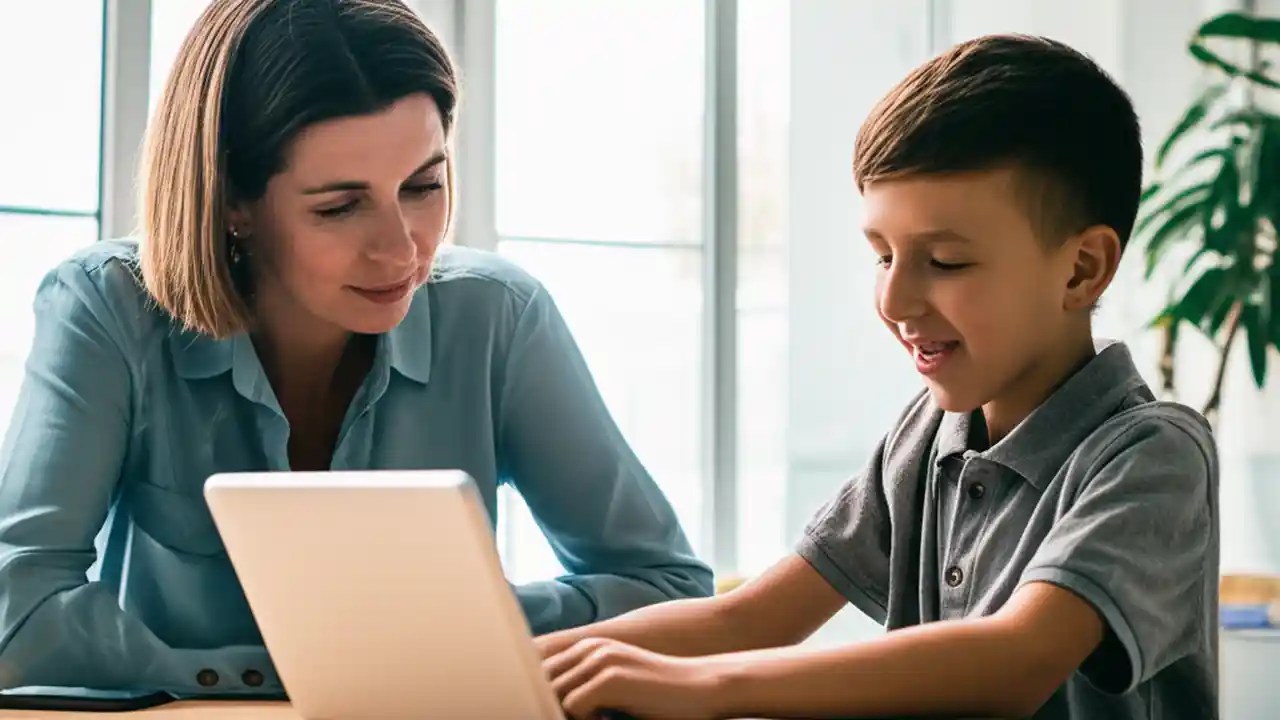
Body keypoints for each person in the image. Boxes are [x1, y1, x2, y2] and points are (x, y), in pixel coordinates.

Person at [0, 0, 710, 695]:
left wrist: (470, 627)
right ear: (232, 202)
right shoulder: (107, 307)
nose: (402, 248)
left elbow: (671, 591)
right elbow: (16, 613)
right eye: (340, 206)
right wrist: (296, 671)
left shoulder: (499, 316)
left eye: (423, 185)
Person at [537, 34, 1219, 720]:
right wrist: (516, 665)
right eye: (883, 256)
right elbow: (747, 620)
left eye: (945, 262)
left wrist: (709, 688)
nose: (894, 303)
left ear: (1081, 269)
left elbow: (1015, 658)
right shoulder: (925, 436)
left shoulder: (1155, 456)